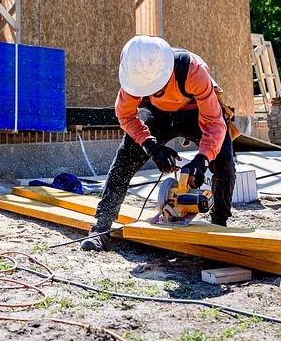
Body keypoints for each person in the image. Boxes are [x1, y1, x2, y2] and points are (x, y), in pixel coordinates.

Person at [80, 35, 237, 251]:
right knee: (125, 158)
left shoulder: (192, 70)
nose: (146, 89)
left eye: (153, 86)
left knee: (224, 159)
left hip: (194, 111)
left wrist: (201, 160)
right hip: (159, 113)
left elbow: (214, 124)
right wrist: (150, 146)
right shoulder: (134, 76)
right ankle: (101, 228)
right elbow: (126, 116)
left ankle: (219, 224)